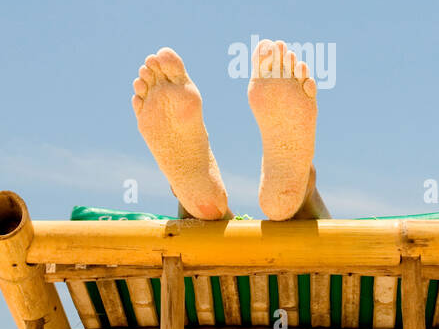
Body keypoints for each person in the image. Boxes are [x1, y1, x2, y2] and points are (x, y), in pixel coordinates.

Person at [131, 40, 330, 221]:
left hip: (212, 254)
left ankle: (194, 202)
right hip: (322, 256)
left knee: (203, 227)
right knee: (317, 224)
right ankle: (301, 191)